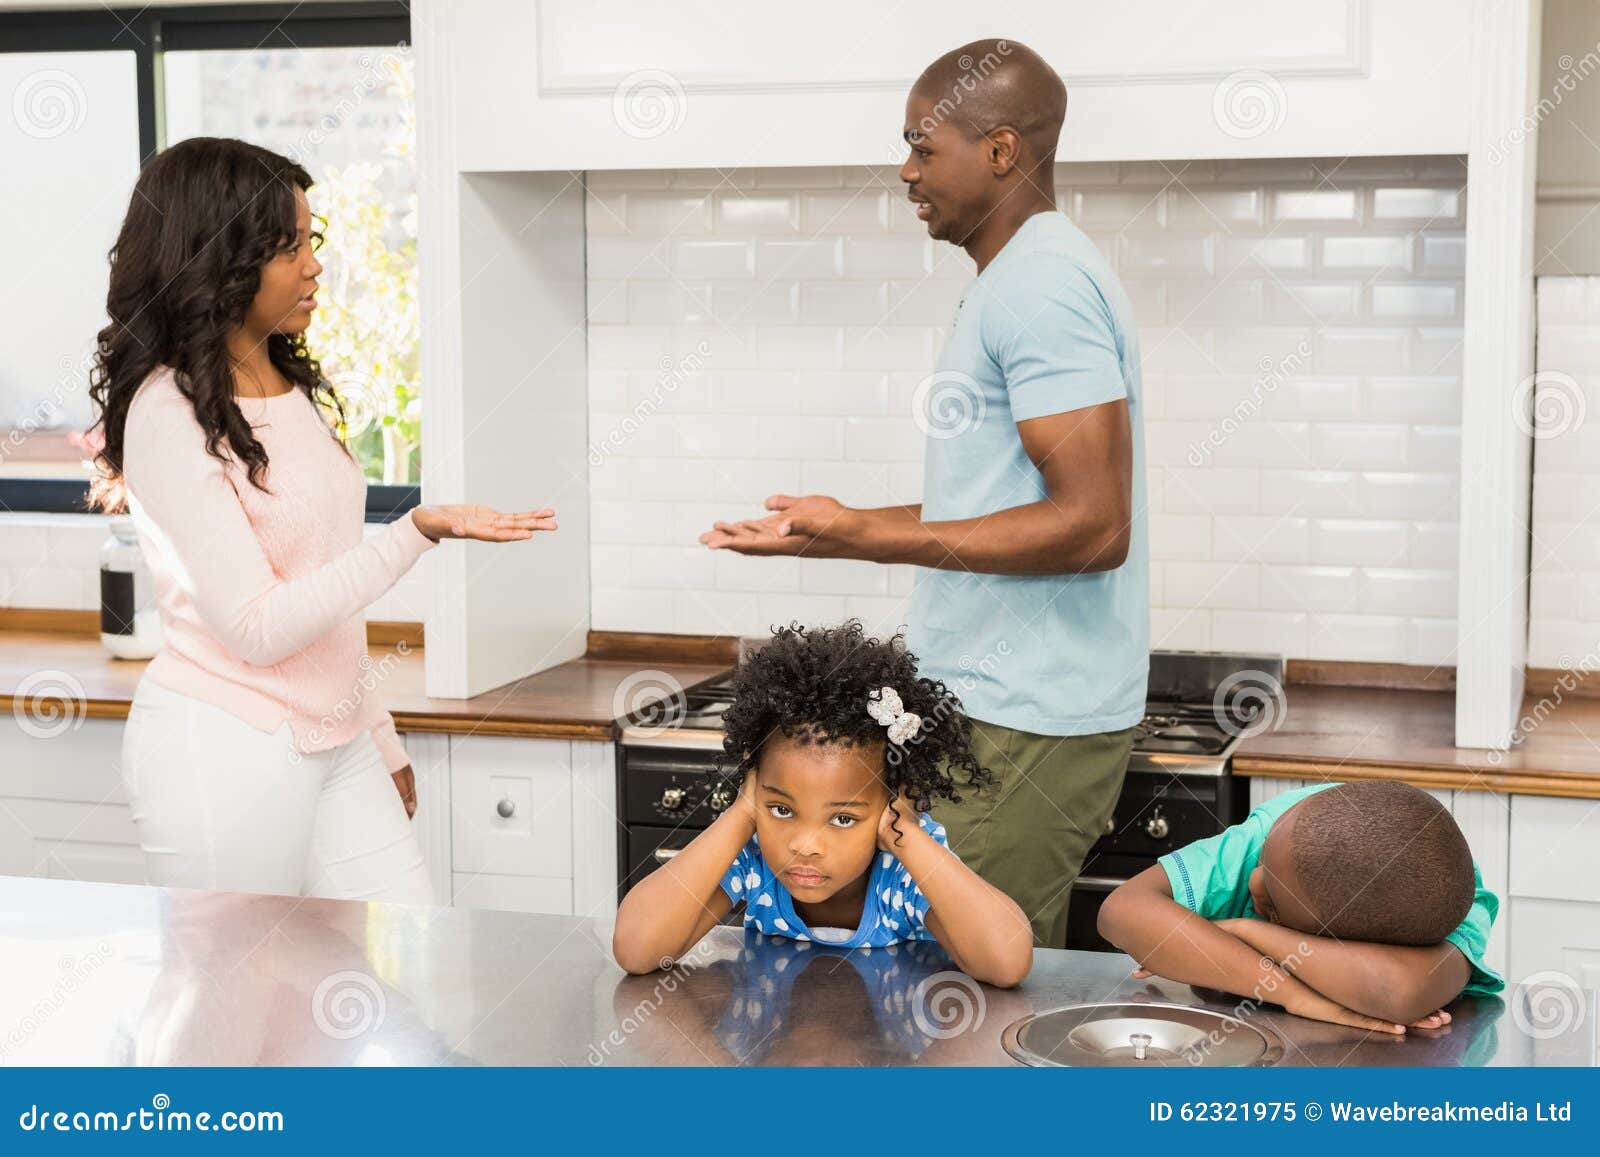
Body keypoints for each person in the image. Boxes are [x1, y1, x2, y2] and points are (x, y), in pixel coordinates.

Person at [699, 39, 1148, 947]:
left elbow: (1094, 527)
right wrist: (846, 529)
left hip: (1023, 714)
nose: (906, 171)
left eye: (922, 145)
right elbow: (1001, 503)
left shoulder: (1042, 285)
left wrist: (873, 535)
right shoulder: (1018, 279)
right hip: (995, 708)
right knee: (946, 993)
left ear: (1001, 151)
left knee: (969, 996)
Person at [90, 137, 556, 903]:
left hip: (338, 738)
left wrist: (377, 731)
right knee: (235, 1005)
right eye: (287, 247)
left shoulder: (287, 379)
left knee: (410, 966)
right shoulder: (167, 412)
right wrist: (416, 532)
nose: (313, 265)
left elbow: (323, 590)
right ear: (221, 260)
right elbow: (257, 626)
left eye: (313, 240)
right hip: (225, 743)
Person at [611, 620, 1033, 988]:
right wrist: (740, 816)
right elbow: (637, 950)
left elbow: (1007, 962)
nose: (805, 844)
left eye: (844, 818)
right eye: (781, 809)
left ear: (892, 804)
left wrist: (907, 836)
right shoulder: (755, 858)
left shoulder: (903, 872)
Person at [1097, 781, 1505, 1032]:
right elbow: (1120, 911)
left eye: (1270, 903)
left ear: (1342, 934)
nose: (1255, 880)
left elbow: (1400, 991)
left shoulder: (1450, 900)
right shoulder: (1280, 833)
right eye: (1261, 865)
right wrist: (1297, 995)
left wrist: (1246, 931)